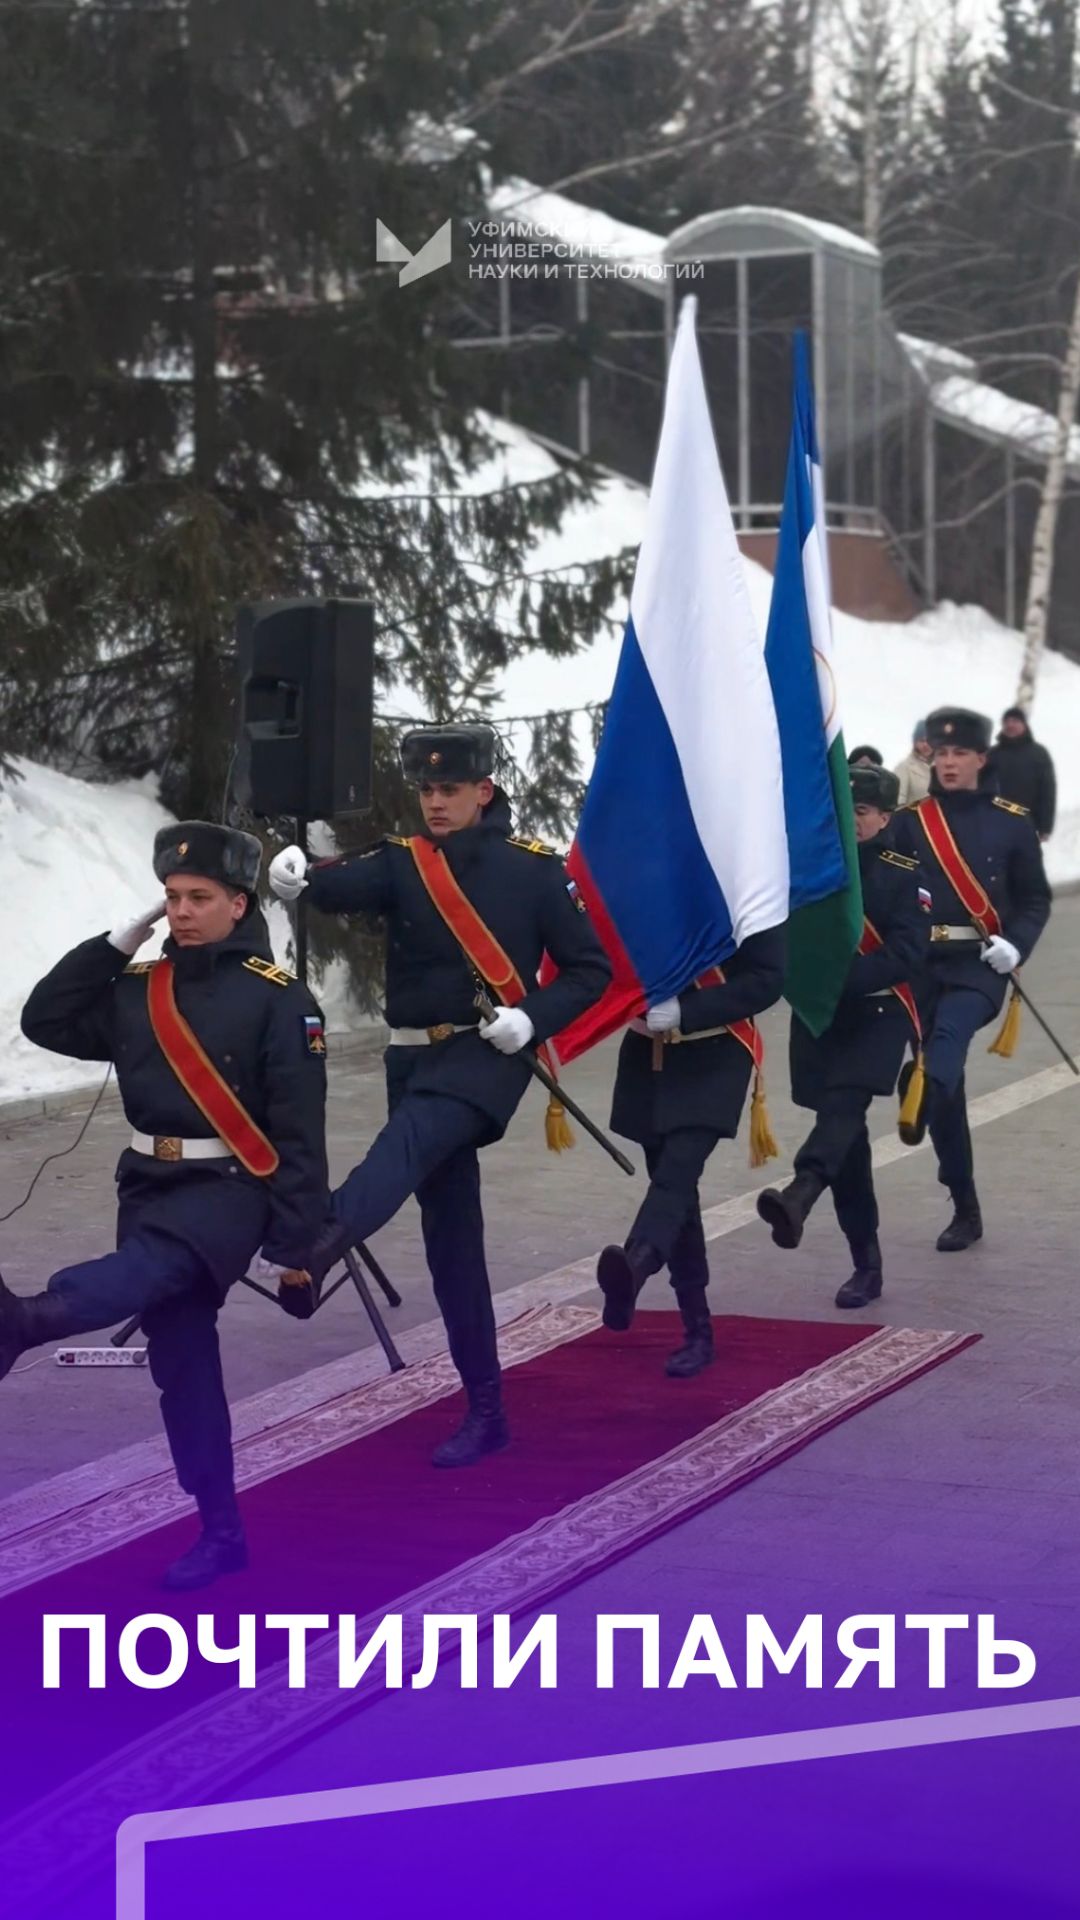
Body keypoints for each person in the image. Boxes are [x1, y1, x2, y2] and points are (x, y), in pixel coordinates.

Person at [268, 724, 611, 1467]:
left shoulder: (534, 870)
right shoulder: (403, 862)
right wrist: (295, 873)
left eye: (448, 789)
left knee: (407, 1143)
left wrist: (532, 1018)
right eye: (425, 790)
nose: (434, 802)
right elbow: (334, 885)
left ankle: (319, 1243)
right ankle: (486, 1409)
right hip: (412, 1059)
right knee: (451, 1241)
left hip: (484, 1057)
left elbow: (592, 970)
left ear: (483, 791)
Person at [2, 824, 328, 1589]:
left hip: (230, 1190)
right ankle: (221, 1529)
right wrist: (118, 941)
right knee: (181, 1359)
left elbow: (298, 1132)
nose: (181, 911)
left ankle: (29, 1320)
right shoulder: (138, 988)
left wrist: (297, 1250)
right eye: (173, 898)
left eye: (199, 898)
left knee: (152, 1268)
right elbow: (43, 1020)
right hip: (150, 1181)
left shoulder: (279, 1000)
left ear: (238, 903)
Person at [755, 767, 929, 1307]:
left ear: (885, 817)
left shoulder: (904, 874)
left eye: (861, 811)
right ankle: (866, 1265)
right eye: (844, 810)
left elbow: (906, 953)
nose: (852, 821)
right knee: (847, 1143)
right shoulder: (813, 871)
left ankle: (800, 1192)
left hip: (877, 1015)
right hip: (821, 1016)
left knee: (842, 1110)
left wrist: (840, 979)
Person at [889, 707, 1051, 1251]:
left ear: (982, 758)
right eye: (942, 752)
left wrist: (1015, 943)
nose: (950, 761)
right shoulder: (910, 821)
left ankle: (920, 1088)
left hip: (978, 966)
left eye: (961, 753)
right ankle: (964, 1204)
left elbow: (1034, 899)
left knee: (946, 1048)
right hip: (920, 969)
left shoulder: (1011, 820)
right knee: (947, 1092)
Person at [595, 927, 786, 1376]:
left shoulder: (746, 876)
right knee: (676, 1193)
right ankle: (696, 1328)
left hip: (717, 1048)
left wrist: (687, 1008)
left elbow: (767, 979)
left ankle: (637, 1266)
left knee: (676, 1174)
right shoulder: (646, 873)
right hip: (649, 1051)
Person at [987, 707, 1056, 840]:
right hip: (995, 824)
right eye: (1006, 721)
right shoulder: (992, 754)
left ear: (1024, 724)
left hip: (1028, 824)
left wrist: (1045, 827)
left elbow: (1048, 791)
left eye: (1015, 721)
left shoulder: (1039, 753)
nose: (1010, 725)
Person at [893, 721, 933, 807]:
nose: (926, 744)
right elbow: (898, 803)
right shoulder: (904, 767)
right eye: (922, 741)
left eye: (929, 740)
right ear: (915, 742)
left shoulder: (942, 767)